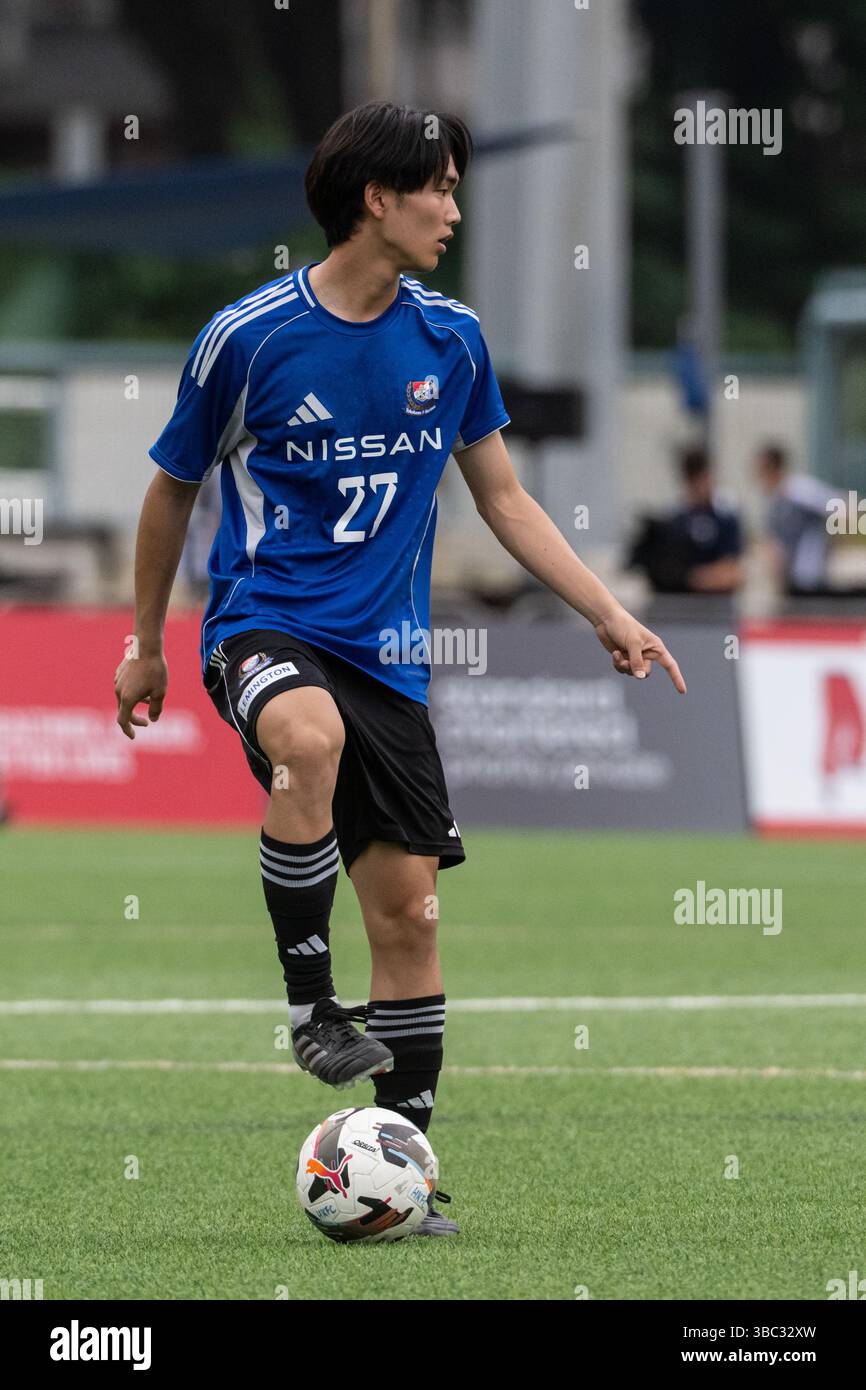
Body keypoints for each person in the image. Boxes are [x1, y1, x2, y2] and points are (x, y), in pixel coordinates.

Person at [114, 101, 686, 1237]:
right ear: (376, 198)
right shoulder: (249, 337)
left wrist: (607, 613)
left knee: (411, 918)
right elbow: (172, 485)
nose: (454, 210)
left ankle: (406, 1177)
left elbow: (505, 497)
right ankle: (309, 1005)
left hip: (394, 662)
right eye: (440, 188)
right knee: (305, 739)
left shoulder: (450, 338)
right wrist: (144, 643)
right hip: (264, 625)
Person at [628, 446, 742, 594]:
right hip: (680, 605)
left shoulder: (724, 518)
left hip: (716, 606)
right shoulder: (675, 520)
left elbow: (731, 574)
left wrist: (687, 577)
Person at [755, 443, 835, 594]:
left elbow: (840, 505)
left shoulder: (799, 490)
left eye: (761, 470)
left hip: (810, 576)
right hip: (790, 578)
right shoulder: (773, 501)